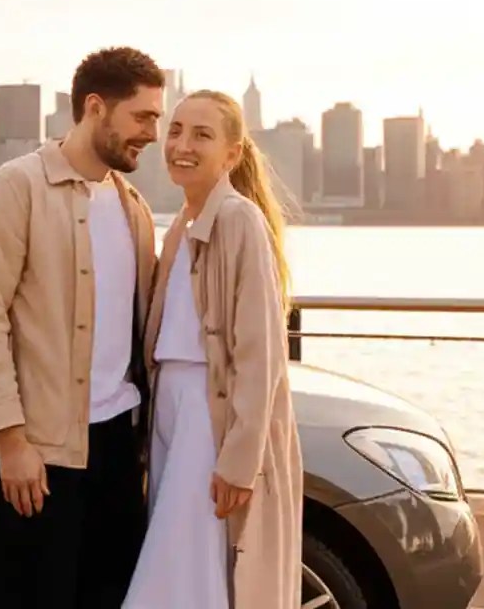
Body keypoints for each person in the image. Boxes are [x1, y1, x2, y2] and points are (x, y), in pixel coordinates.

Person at [0, 46, 165, 608]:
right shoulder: (13, 189)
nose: (153, 132)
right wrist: (11, 439)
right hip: (38, 453)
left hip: (117, 444)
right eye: (142, 116)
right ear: (95, 107)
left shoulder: (134, 207)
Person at [123, 89, 304, 608]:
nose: (182, 144)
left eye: (202, 134)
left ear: (233, 153)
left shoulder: (237, 219)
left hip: (209, 413)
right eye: (176, 130)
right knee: (188, 565)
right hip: (171, 409)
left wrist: (240, 460)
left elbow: (261, 351)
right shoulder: (182, 224)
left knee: (182, 567)